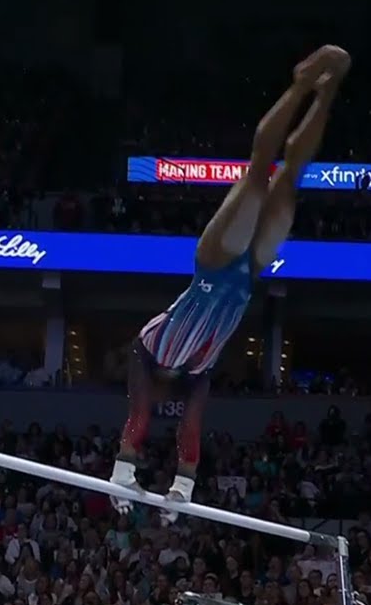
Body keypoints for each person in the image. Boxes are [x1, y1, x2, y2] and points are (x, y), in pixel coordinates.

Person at [109, 44, 351, 522]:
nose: (162, 406)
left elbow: (138, 415)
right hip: (248, 275)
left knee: (260, 172)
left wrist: (123, 470)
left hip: (215, 263)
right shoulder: (200, 369)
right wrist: (182, 489)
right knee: (291, 178)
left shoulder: (146, 349)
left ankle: (301, 82)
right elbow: (192, 426)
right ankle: (328, 92)